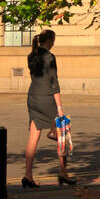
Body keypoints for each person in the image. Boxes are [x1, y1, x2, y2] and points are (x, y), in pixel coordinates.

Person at [22, 29, 75, 188]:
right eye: (54, 40)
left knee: (33, 138)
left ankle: (28, 176)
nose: (54, 43)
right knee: (63, 135)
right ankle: (63, 173)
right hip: (47, 98)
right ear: (50, 40)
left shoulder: (31, 55)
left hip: (32, 98)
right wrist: (59, 107)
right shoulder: (49, 57)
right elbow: (53, 83)